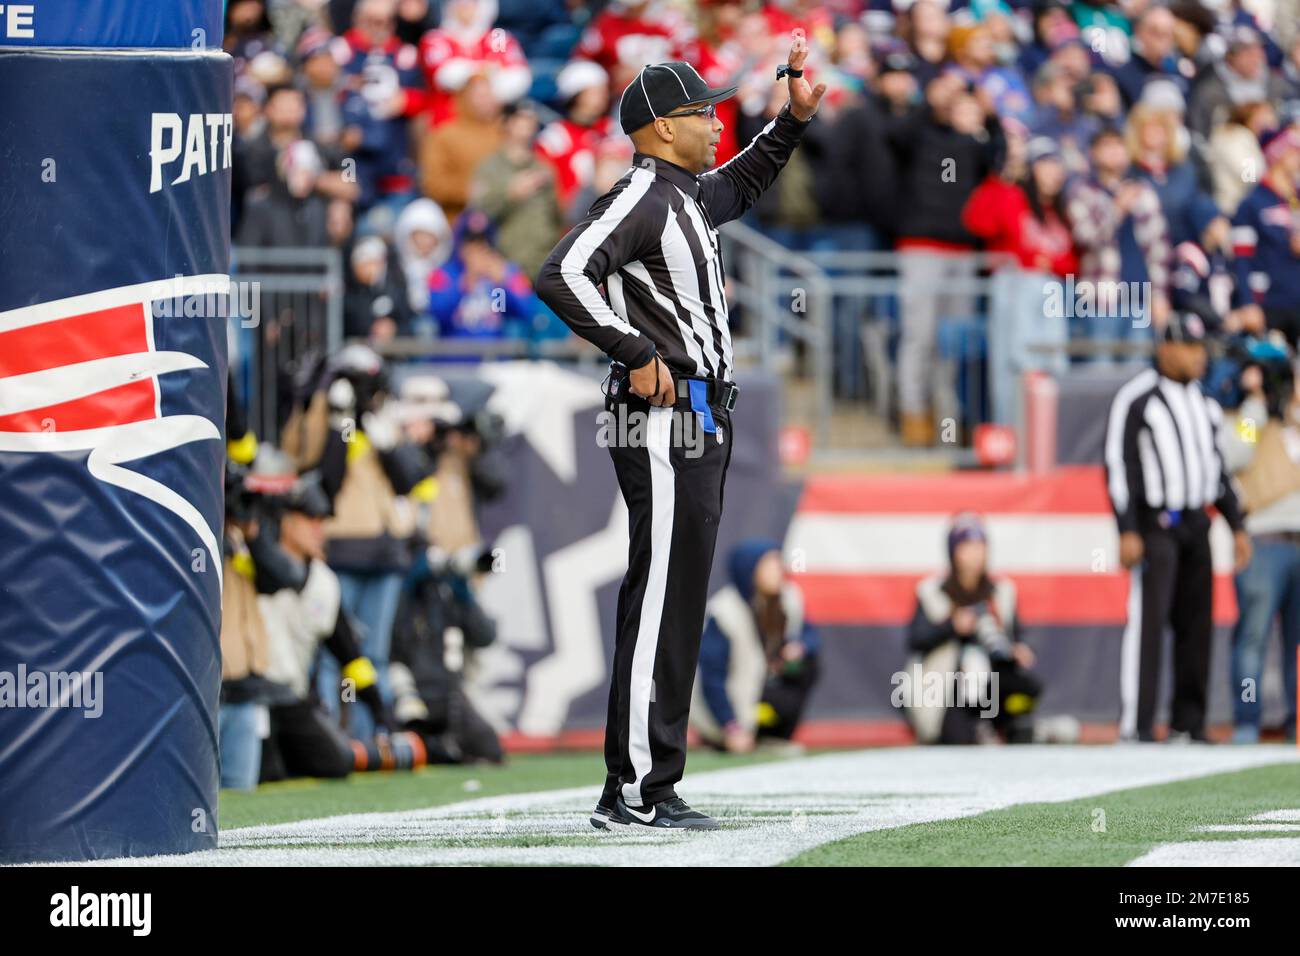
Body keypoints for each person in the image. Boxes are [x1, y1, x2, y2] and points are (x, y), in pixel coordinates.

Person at [535, 37, 826, 830]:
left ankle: (655, 780)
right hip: (662, 416)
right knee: (659, 592)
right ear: (662, 126)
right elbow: (559, 272)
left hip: (696, 416)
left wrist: (791, 122)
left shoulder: (685, 195)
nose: (715, 127)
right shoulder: (641, 196)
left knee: (680, 599)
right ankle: (630, 787)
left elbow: (745, 180)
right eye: (703, 115)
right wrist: (633, 353)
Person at [1104, 311, 1251, 742]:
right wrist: (1127, 527)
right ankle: (1140, 723)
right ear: (1166, 348)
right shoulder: (1138, 398)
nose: (1199, 357)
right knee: (1150, 622)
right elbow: (1120, 465)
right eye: (1190, 347)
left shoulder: (1205, 405)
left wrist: (1236, 524)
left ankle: (1190, 720)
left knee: (1197, 625)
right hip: (1156, 523)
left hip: (1195, 522)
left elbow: (1217, 472)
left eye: (1201, 348)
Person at [1218, 348, 1300, 743]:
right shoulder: (1249, 419)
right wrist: (1256, 402)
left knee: (1296, 646)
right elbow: (1234, 454)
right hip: (1264, 540)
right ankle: (1247, 722)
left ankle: (1294, 721)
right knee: (1253, 638)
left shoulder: (1292, 423)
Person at [906, 512, 1042, 745]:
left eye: (980, 546)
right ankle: (973, 727)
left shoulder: (1001, 591)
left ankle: (1006, 725)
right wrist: (952, 626)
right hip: (948, 687)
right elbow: (916, 638)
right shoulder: (932, 592)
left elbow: (1016, 636)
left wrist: (1018, 650)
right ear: (953, 552)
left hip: (994, 683)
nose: (975, 554)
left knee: (1025, 689)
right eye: (967, 547)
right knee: (970, 670)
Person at [691, 538, 820, 753]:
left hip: (761, 694)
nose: (779, 570)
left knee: (807, 667)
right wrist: (730, 727)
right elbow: (712, 679)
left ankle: (770, 734)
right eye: (770, 564)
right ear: (750, 571)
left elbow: (811, 634)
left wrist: (799, 647)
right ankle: (724, 736)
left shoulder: (788, 598)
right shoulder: (724, 613)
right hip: (728, 707)